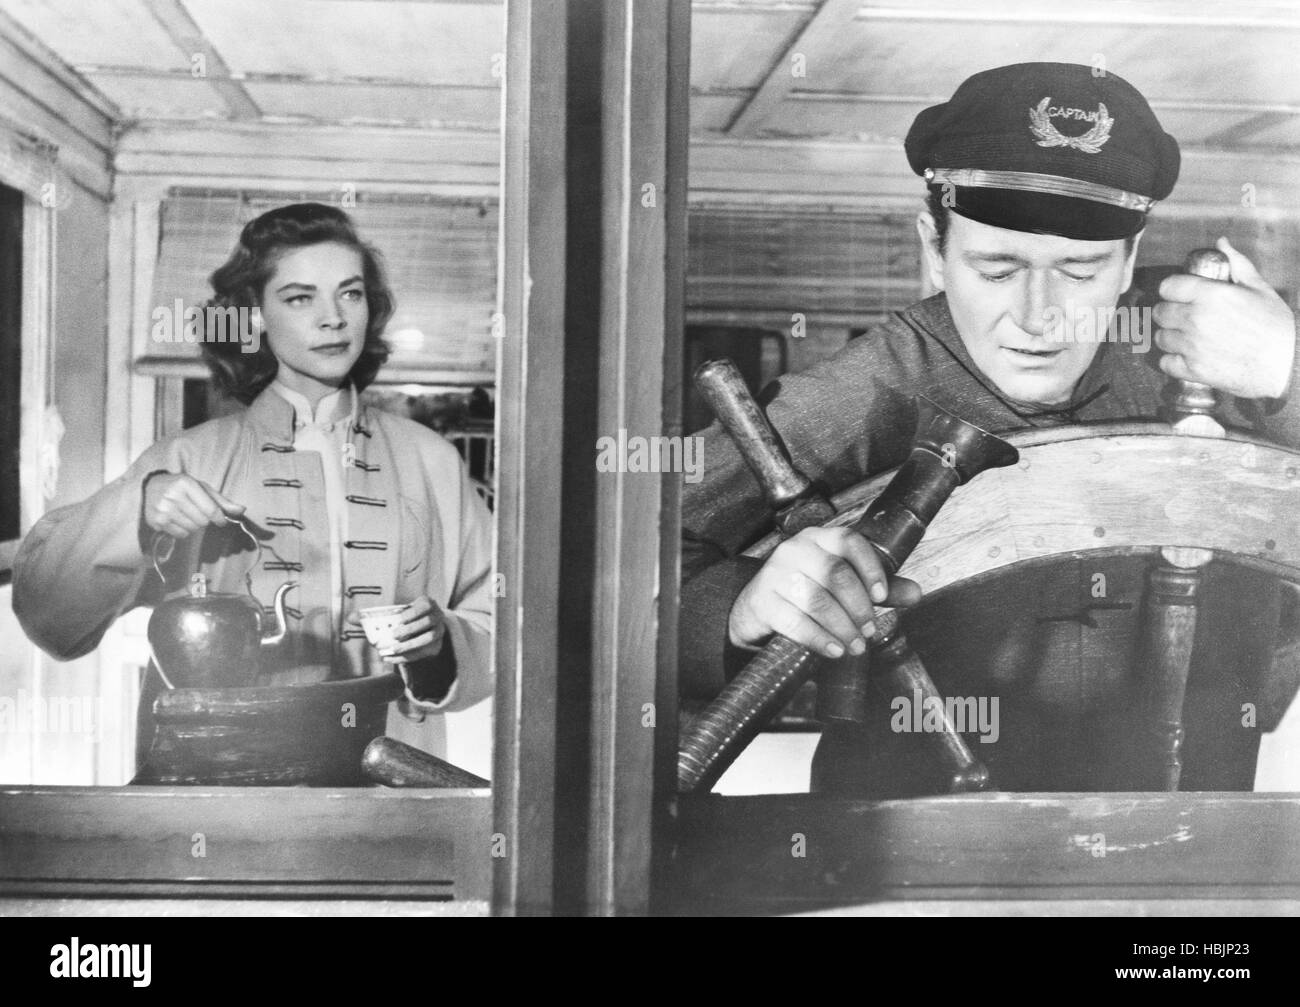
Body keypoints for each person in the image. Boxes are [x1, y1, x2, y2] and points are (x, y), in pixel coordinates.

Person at [680, 63, 1300, 795]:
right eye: (998, 266)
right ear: (932, 250)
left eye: (1080, 268)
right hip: (916, 876)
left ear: (1131, 256)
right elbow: (619, 572)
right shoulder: (868, 387)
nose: (1040, 316)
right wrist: (742, 606)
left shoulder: (1220, 349)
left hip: (1192, 869)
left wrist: (1289, 369)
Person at [13, 202, 494, 772]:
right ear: (256, 316)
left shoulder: (431, 460)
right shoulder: (192, 456)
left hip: (389, 781)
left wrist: (440, 647)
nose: (333, 318)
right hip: (219, 791)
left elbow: (501, 619)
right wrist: (138, 510)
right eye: (299, 297)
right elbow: (48, 615)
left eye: (350, 293)